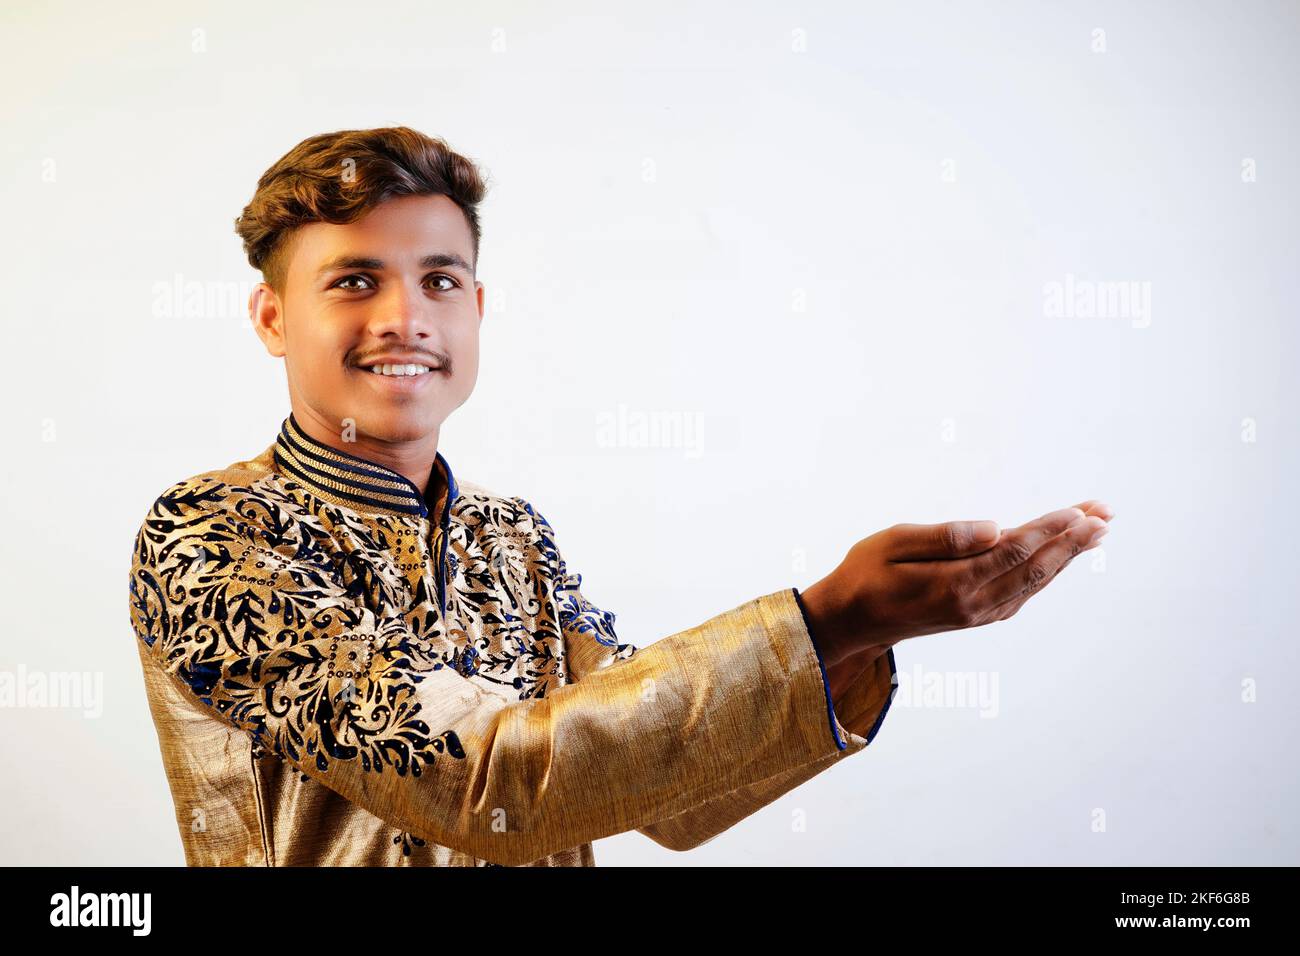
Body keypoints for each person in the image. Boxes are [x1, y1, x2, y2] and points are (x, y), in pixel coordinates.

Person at [127, 126, 1113, 867]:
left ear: (476, 309)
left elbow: (668, 788)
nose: (403, 317)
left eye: (439, 278)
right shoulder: (211, 534)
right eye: (352, 280)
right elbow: (487, 780)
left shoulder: (509, 535)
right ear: (270, 315)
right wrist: (824, 616)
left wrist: (856, 639)